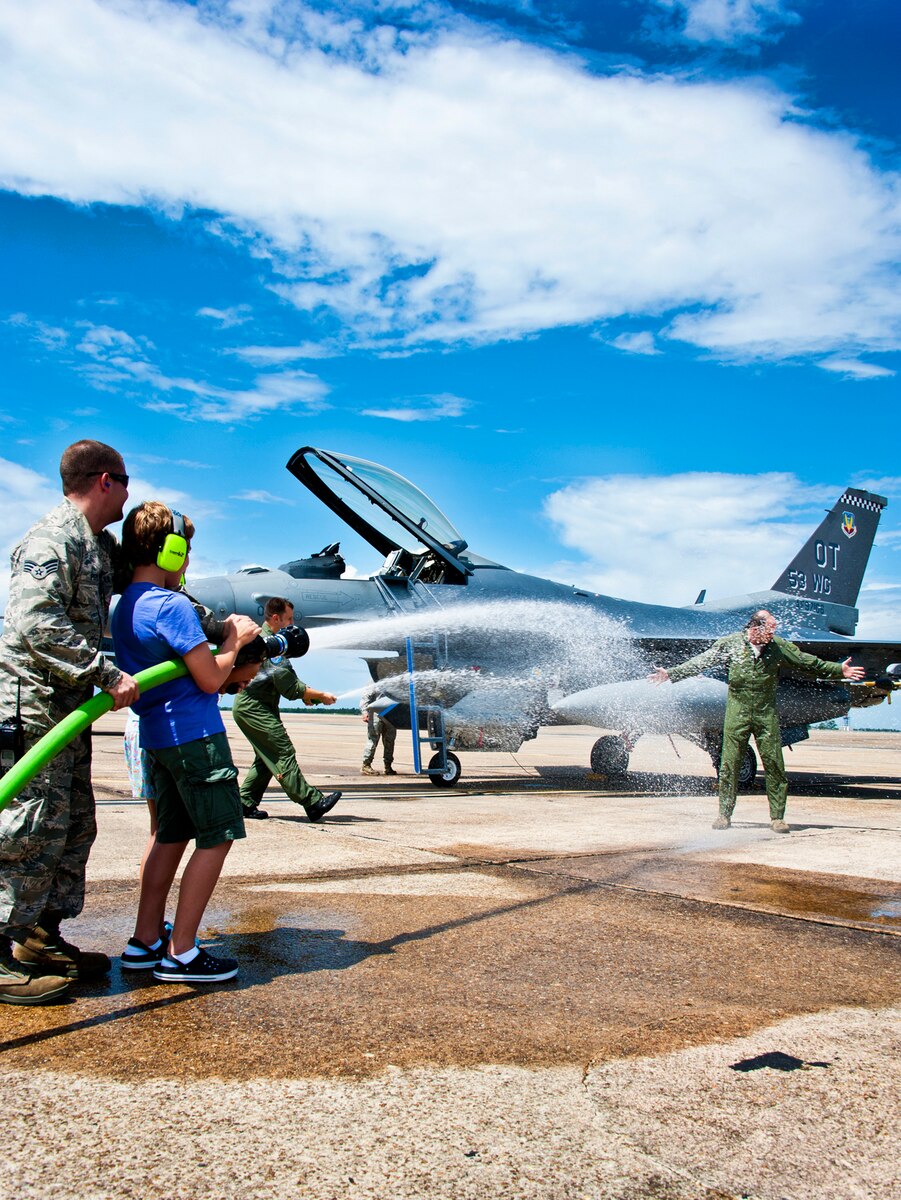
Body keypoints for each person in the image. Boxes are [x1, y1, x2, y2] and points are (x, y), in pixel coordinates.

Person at [0, 439, 140, 1005]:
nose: (130, 494)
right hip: (32, 709)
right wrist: (104, 674)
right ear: (105, 480)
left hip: (67, 710)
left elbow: (150, 580)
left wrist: (215, 626)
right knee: (27, 829)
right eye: (126, 481)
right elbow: (36, 621)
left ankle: (38, 937)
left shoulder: (98, 547)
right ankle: (1, 950)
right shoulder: (50, 540)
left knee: (72, 825)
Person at [111, 501, 260, 983]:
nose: (190, 558)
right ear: (172, 551)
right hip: (195, 738)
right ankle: (183, 951)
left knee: (169, 836)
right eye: (187, 548)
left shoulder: (126, 606)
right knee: (218, 837)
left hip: (157, 738)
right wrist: (233, 642)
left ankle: (145, 939)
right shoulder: (170, 604)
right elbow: (210, 678)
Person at [648, 609, 866, 833]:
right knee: (729, 765)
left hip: (766, 713)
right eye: (770, 629)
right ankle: (724, 815)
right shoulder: (731, 644)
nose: (773, 634)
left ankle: (777, 818)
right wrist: (672, 674)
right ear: (755, 628)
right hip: (737, 712)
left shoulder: (778, 646)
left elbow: (809, 663)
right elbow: (702, 661)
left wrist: (839, 670)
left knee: (774, 765)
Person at [232, 597, 341, 821]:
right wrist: (318, 694)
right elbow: (288, 686)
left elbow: (287, 683)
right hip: (254, 708)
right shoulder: (270, 645)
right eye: (288, 619)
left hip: (253, 707)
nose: (291, 624)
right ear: (275, 618)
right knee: (282, 751)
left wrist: (309, 695)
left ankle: (245, 802)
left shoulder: (267, 640)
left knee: (265, 759)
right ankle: (312, 801)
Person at [360, 682, 397, 776]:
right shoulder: (373, 681)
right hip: (376, 713)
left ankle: (388, 766)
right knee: (373, 739)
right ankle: (366, 765)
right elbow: (366, 697)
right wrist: (364, 712)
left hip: (391, 713)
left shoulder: (394, 680)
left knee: (390, 741)